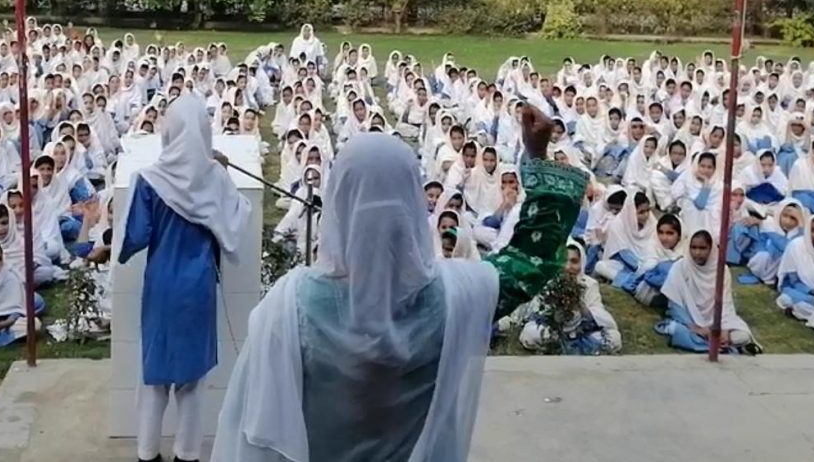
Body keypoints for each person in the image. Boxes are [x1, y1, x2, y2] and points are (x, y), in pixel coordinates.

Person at [214, 109, 584, 462]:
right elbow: (530, 260)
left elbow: (252, 432)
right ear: (412, 200)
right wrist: (536, 153)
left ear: (339, 200)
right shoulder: (455, 296)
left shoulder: (291, 305)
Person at [121, 91, 254, 462]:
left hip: (162, 285)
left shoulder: (150, 180)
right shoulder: (214, 177)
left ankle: (147, 453)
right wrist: (220, 171)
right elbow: (234, 219)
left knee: (154, 375)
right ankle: (188, 453)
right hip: (198, 288)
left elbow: (135, 237)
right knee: (193, 380)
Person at [504, 239, 622, 355]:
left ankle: (569, 349)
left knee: (614, 338)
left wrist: (581, 308)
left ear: (582, 263)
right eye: (563, 261)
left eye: (574, 261)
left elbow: (600, 314)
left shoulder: (589, 284)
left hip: (581, 333)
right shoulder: (547, 282)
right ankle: (560, 347)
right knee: (531, 334)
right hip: (553, 332)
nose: (567, 267)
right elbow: (536, 314)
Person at [653, 229, 758, 354]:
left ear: (711, 249)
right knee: (676, 330)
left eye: (703, 248)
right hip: (690, 322)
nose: (697, 252)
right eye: (693, 247)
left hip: (717, 323)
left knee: (742, 335)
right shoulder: (680, 267)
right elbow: (675, 305)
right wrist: (696, 327)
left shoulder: (721, 270)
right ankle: (717, 347)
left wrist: (723, 329)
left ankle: (718, 343)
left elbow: (726, 304)